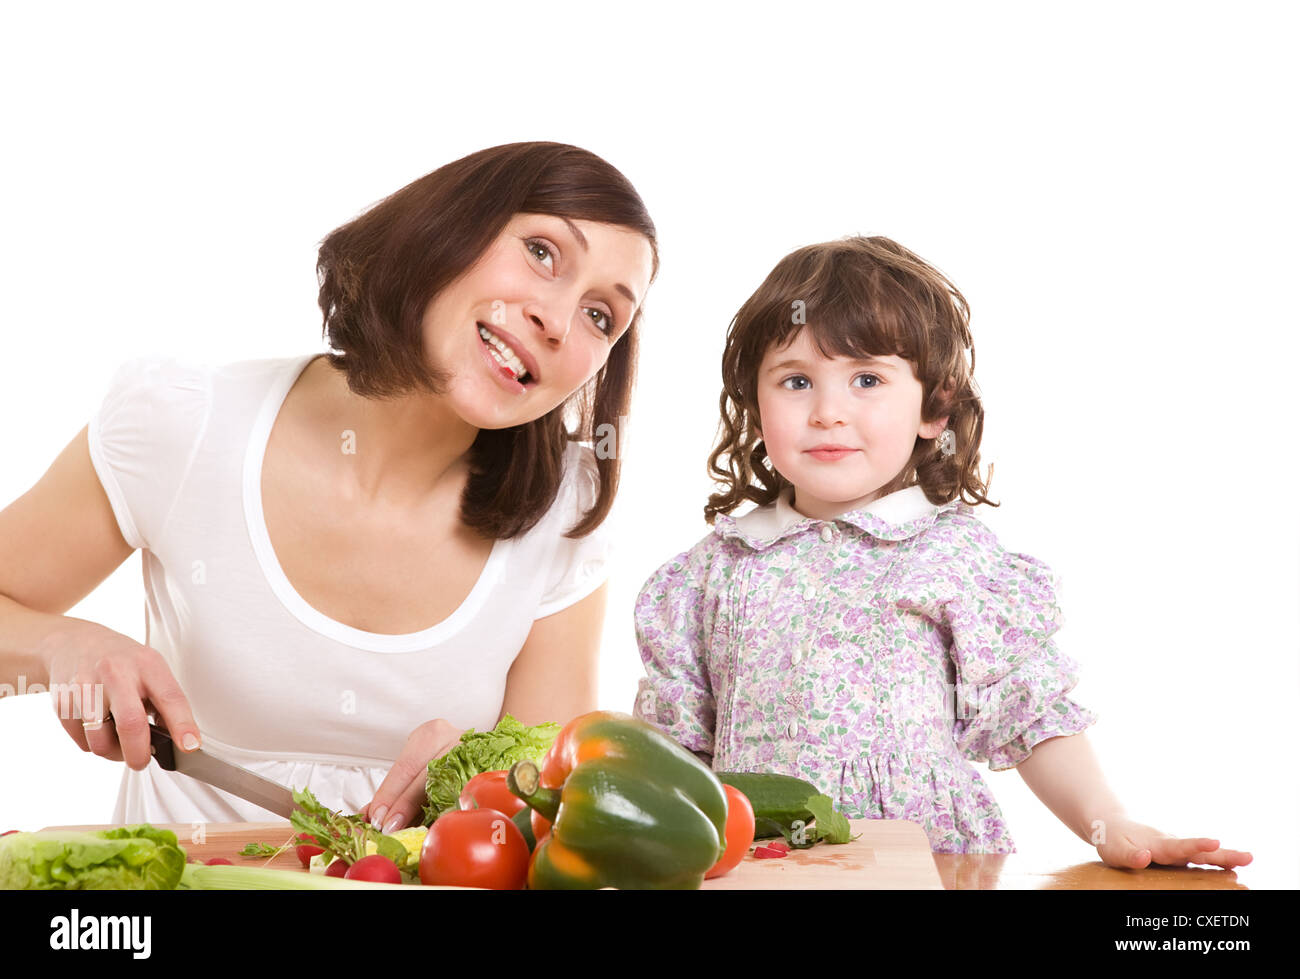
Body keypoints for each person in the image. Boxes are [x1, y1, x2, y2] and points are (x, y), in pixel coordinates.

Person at [0, 141, 657, 835]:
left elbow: (545, 810)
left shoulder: (564, 510)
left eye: (601, 316)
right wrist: (60, 645)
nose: (556, 322)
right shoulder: (185, 420)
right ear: (450, 225)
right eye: (543, 252)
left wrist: (480, 778)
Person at [632, 235, 1251, 870]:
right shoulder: (709, 574)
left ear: (935, 407)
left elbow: (1028, 713)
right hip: (758, 867)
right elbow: (672, 749)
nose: (827, 413)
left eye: (867, 379)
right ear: (756, 408)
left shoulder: (953, 557)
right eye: (795, 381)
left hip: (933, 862)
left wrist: (1108, 822)